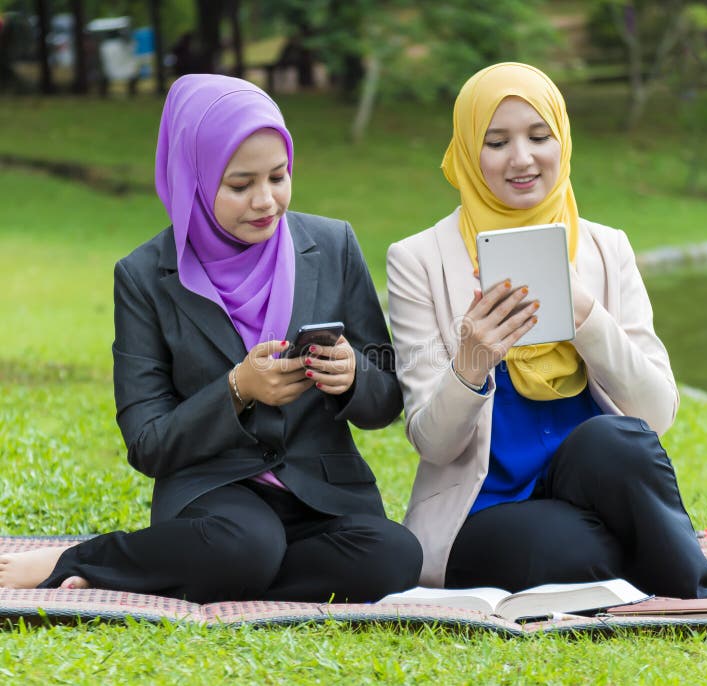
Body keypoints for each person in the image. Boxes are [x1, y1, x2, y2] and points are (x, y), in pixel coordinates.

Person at [386, 62, 707, 609]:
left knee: (617, 440)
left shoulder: (606, 249)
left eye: (539, 137)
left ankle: (691, 581)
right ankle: (679, 568)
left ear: (564, 140)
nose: (522, 159)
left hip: (589, 485)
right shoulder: (419, 260)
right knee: (557, 551)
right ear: (466, 150)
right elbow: (432, 442)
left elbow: (656, 415)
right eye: (497, 141)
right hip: (484, 508)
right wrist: (472, 361)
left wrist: (586, 318)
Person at [0, 74, 421, 603]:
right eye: (241, 185)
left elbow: (386, 399)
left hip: (323, 498)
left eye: (279, 176)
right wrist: (238, 389)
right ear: (192, 180)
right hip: (214, 495)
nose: (266, 201)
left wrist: (355, 375)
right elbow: (147, 442)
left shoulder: (333, 246)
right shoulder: (144, 277)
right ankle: (84, 559)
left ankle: (177, 568)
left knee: (396, 555)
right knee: (245, 543)